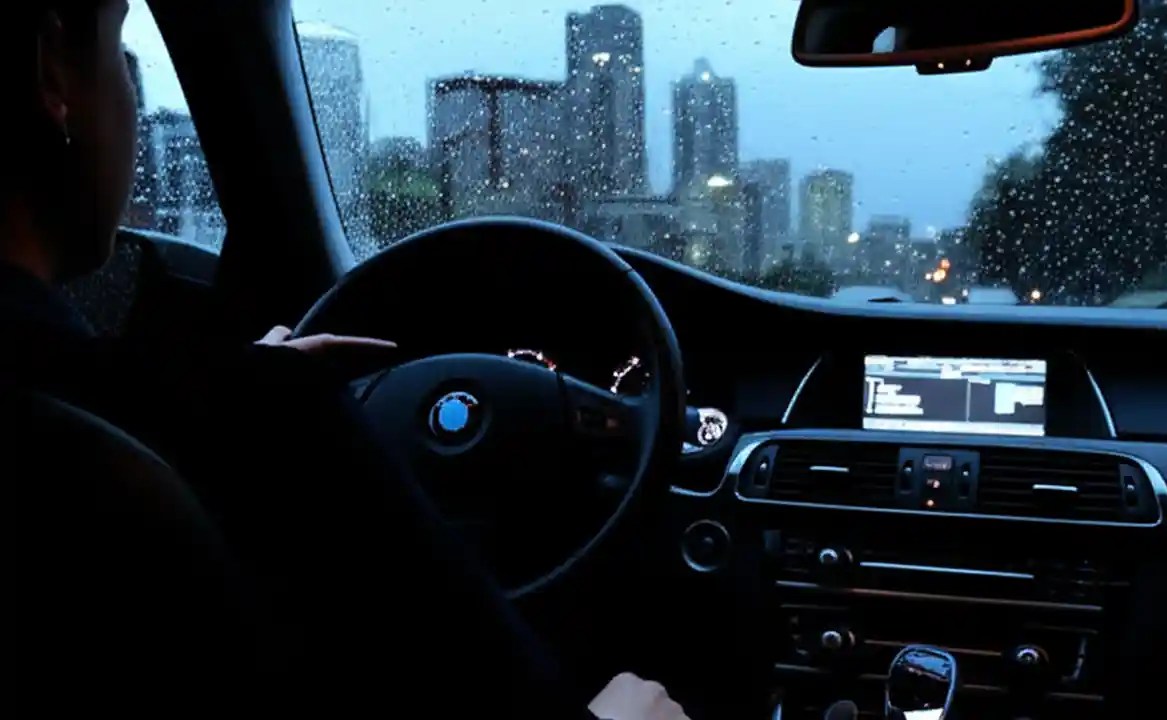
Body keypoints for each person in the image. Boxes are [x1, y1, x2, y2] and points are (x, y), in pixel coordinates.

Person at [2, 2, 688, 718]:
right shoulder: (252, 422)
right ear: (52, 71)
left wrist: (227, 391)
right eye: (121, 51)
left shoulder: (139, 410)